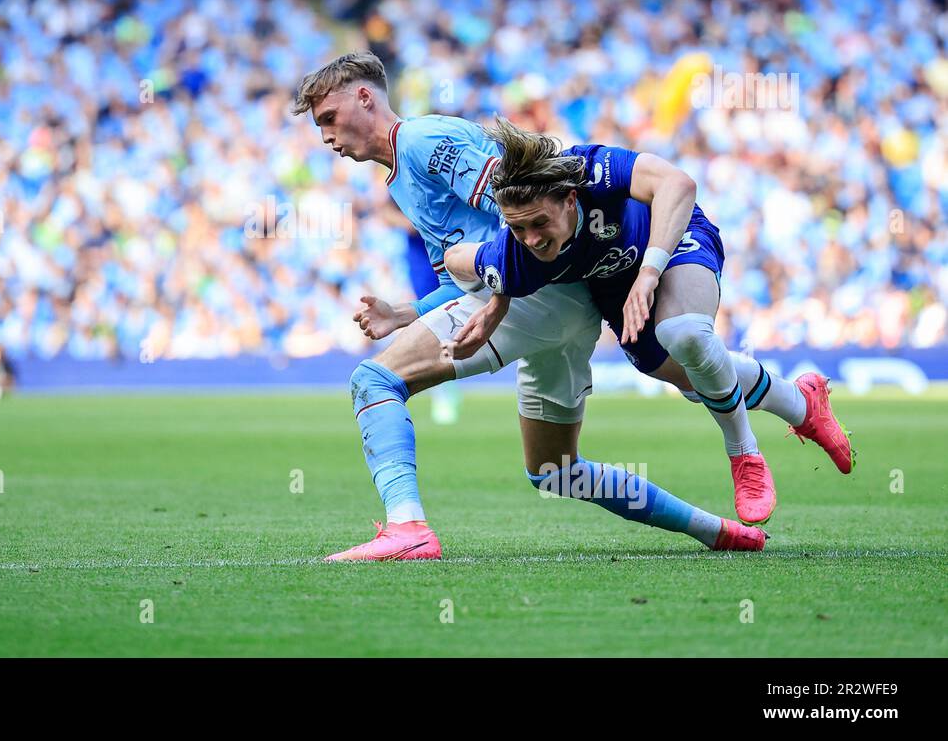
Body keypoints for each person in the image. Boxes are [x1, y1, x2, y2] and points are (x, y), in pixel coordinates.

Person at [293, 52, 768, 559]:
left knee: (375, 380)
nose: (326, 136)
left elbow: (518, 209)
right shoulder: (401, 174)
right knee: (555, 470)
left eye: (328, 118)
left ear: (364, 96)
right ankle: (716, 529)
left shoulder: (421, 141)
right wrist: (407, 313)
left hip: (534, 293)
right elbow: (472, 266)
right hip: (559, 307)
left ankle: (407, 528)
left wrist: (500, 297)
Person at [444, 121, 853, 524]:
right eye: (518, 228)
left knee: (685, 332)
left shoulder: (591, 170)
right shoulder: (517, 254)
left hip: (672, 242)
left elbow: (679, 185)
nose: (531, 238)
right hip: (617, 288)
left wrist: (650, 272)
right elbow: (456, 259)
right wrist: (498, 296)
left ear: (570, 200)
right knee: (697, 381)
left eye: (539, 224)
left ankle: (744, 452)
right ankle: (802, 402)